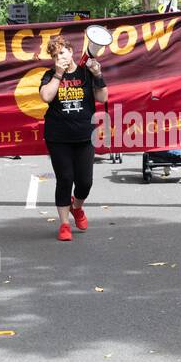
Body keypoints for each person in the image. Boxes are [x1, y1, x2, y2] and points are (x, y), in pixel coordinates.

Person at [39, 35, 107, 241]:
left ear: (71, 51)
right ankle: (64, 224)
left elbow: (103, 98)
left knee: (85, 182)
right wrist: (58, 74)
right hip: (58, 137)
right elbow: (46, 97)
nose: (59, 57)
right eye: (55, 55)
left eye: (62, 52)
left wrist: (98, 74)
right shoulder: (49, 75)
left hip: (85, 136)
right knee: (65, 179)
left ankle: (76, 208)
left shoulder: (86, 73)